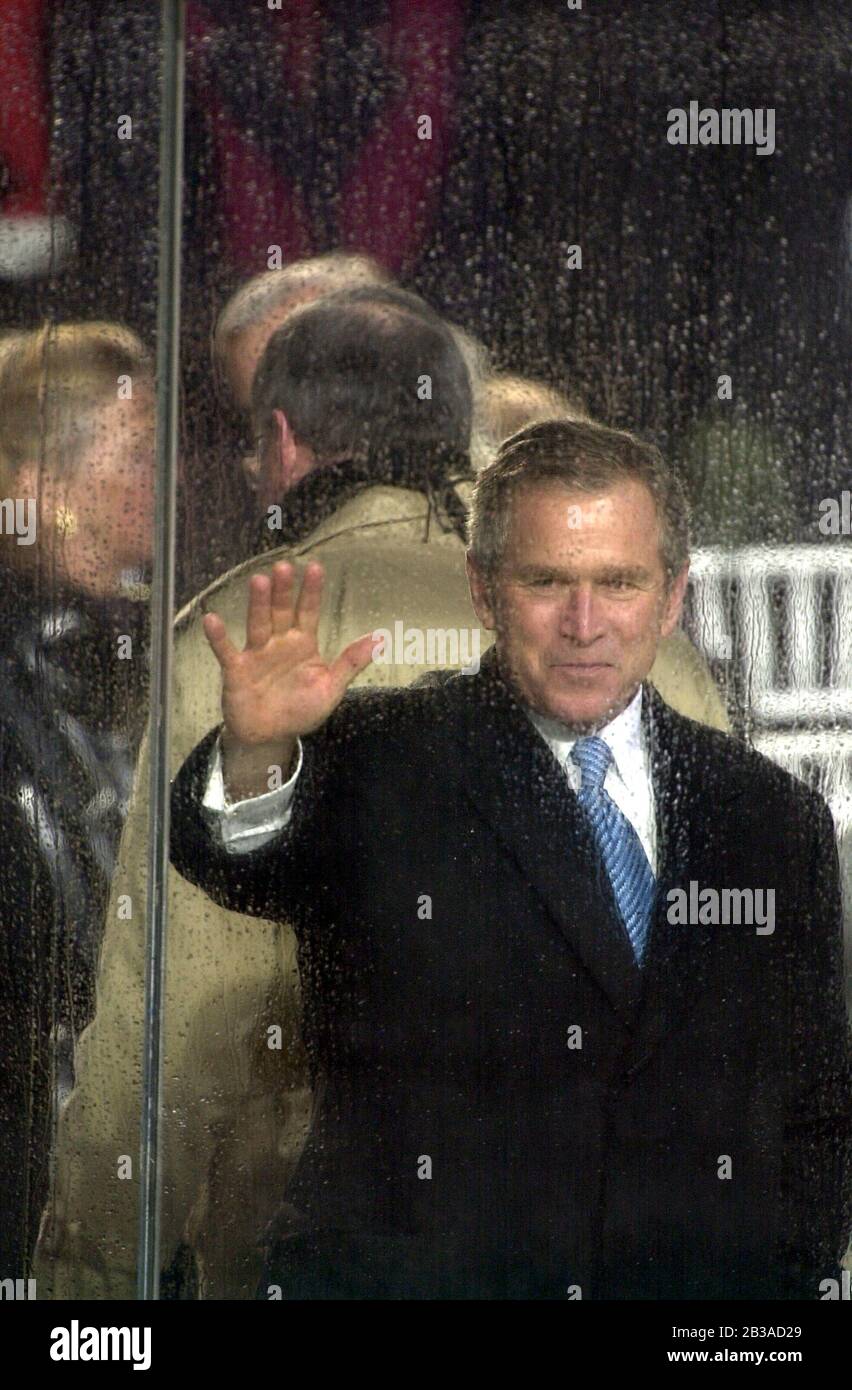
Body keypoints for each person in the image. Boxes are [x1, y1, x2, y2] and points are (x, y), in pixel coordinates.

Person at [169, 418, 851, 1300]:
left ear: (673, 598)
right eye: (546, 582)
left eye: (619, 583)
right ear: (485, 593)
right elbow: (237, 859)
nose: (583, 623)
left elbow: (818, 1112)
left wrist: (771, 1313)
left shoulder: (770, 815)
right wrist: (256, 754)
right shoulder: (374, 760)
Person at [36, 284, 486, 1299]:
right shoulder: (623, 640)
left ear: (282, 442)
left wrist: (90, 1284)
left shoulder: (238, 634)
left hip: (311, 1238)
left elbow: (182, 1004)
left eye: (250, 444)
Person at [0, 321, 154, 1281]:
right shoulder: (33, 679)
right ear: (34, 487)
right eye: (135, 459)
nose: (160, 491)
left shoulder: (133, 654)